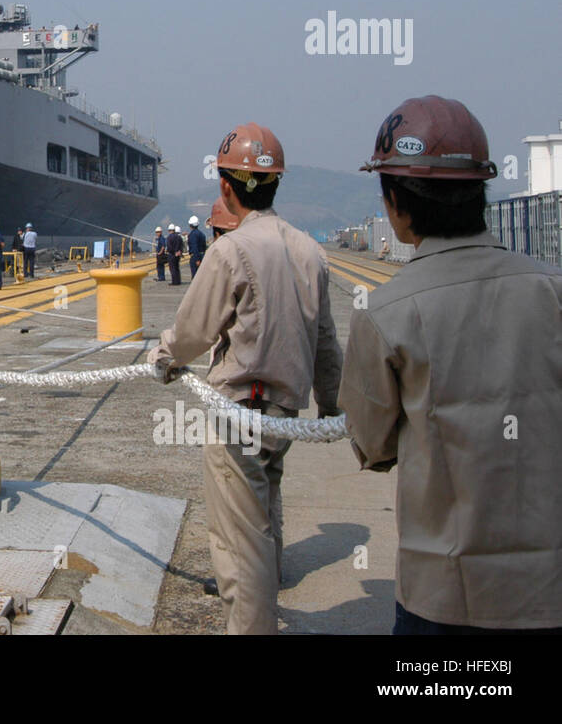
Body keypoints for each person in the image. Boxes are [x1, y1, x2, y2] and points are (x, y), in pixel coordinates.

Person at [339, 96, 562, 635]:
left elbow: (373, 446)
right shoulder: (553, 290)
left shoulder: (384, 314)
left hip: (442, 595)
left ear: (395, 203)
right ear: (481, 191)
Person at [148, 122, 342, 635]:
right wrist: (332, 406)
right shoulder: (309, 251)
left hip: (238, 412)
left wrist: (163, 358)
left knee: (239, 541)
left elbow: (193, 330)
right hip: (284, 415)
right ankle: (272, 584)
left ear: (226, 187)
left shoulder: (229, 251)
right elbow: (326, 342)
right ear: (275, 183)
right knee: (268, 501)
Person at [186, 214, 206, 279]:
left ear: (190, 225)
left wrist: (197, 259)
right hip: (202, 255)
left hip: (195, 257)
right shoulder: (201, 234)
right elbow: (204, 247)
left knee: (195, 276)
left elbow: (194, 247)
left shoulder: (192, 235)